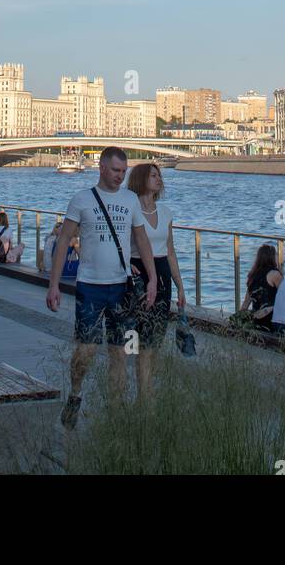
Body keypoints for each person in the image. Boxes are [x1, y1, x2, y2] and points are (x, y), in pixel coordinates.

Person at [46, 146, 157, 430]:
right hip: (90, 286)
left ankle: (115, 411)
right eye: (116, 170)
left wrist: (153, 278)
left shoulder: (131, 200)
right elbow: (64, 241)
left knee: (119, 352)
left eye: (124, 171)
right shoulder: (81, 200)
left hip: (121, 287)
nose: (121, 176)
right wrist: (54, 284)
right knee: (86, 350)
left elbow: (142, 241)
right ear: (102, 168)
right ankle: (76, 391)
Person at [126, 162, 185, 395]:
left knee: (155, 338)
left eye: (159, 175)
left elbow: (170, 250)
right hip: (138, 272)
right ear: (141, 179)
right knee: (140, 338)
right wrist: (127, 264)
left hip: (162, 272)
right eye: (153, 175)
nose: (159, 179)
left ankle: (147, 391)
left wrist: (180, 286)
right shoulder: (130, 210)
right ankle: (143, 394)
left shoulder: (166, 212)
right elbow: (120, 244)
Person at [232, 243, 283, 329]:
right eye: (276, 255)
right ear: (272, 257)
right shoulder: (275, 274)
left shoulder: (253, 274)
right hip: (269, 319)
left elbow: (246, 302)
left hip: (256, 318)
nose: (278, 257)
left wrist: (239, 318)